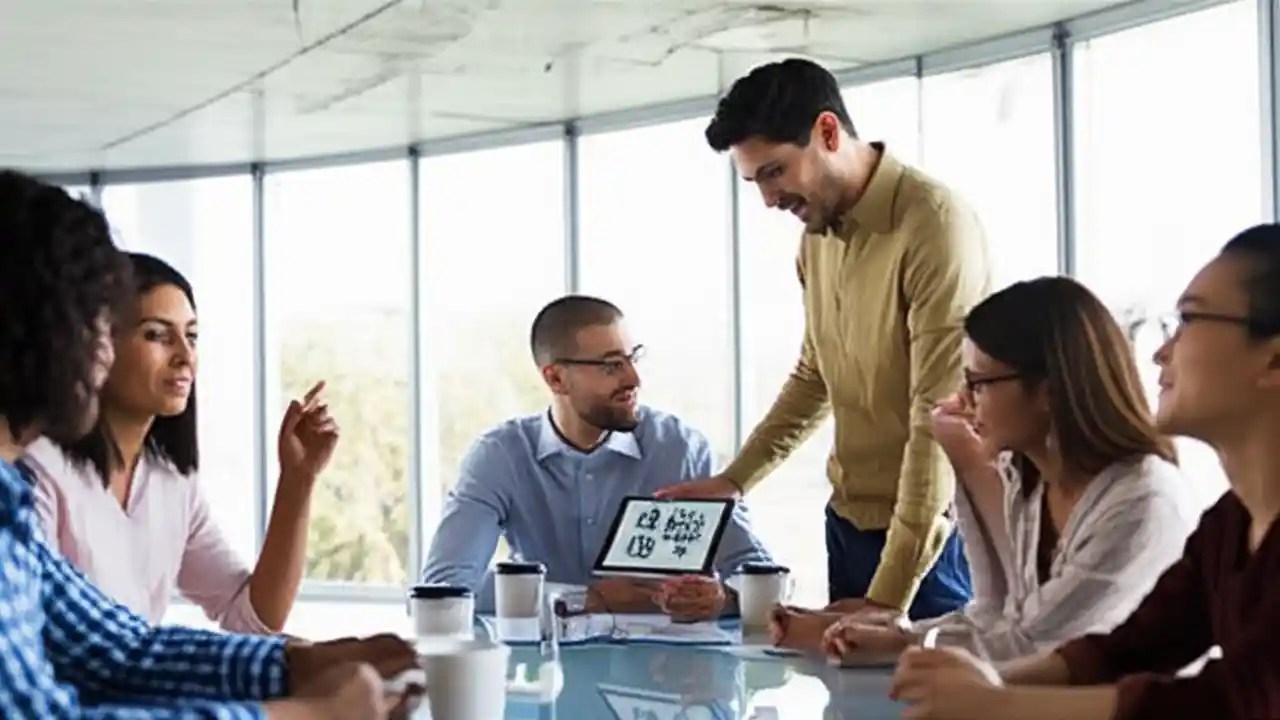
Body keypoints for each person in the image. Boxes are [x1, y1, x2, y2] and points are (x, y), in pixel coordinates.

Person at [0, 169, 417, 718]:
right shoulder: (35, 478)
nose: (102, 348)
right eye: (93, 321)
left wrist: (303, 663)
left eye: (191, 336)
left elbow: (118, 650)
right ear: (27, 324)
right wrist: (302, 715)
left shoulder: (12, 500)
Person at [889, 224, 1280, 719]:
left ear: (1274, 359)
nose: (1161, 351)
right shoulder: (1230, 523)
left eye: (1188, 319)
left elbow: (1233, 700)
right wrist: (983, 684)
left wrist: (998, 701)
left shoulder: (1146, 498)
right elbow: (1129, 648)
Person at [658, 57, 992, 620]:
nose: (769, 198)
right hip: (848, 523)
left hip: (933, 536)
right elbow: (816, 374)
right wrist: (735, 480)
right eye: (755, 181)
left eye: (775, 172)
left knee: (926, 678)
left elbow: (938, 416)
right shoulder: (815, 236)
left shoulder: (935, 224)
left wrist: (886, 601)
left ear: (828, 132)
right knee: (842, 677)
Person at [773, 277, 1196, 661]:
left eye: (978, 383)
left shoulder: (1140, 500)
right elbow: (994, 613)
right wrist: (882, 632)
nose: (963, 399)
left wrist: (901, 642)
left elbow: (1035, 644)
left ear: (1049, 390)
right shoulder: (1028, 478)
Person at [23, 252, 336, 634]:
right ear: (98, 346)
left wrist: (298, 480)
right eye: (156, 335)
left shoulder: (171, 482)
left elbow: (251, 620)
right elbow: (40, 634)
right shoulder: (37, 471)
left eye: (191, 336)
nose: (185, 356)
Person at [423, 295, 773, 620]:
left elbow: (760, 579)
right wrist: (585, 599)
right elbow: (444, 590)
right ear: (556, 378)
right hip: (544, 662)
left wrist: (724, 599)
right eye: (611, 366)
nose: (634, 378)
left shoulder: (683, 451)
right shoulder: (500, 458)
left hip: (668, 662)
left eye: (632, 358)